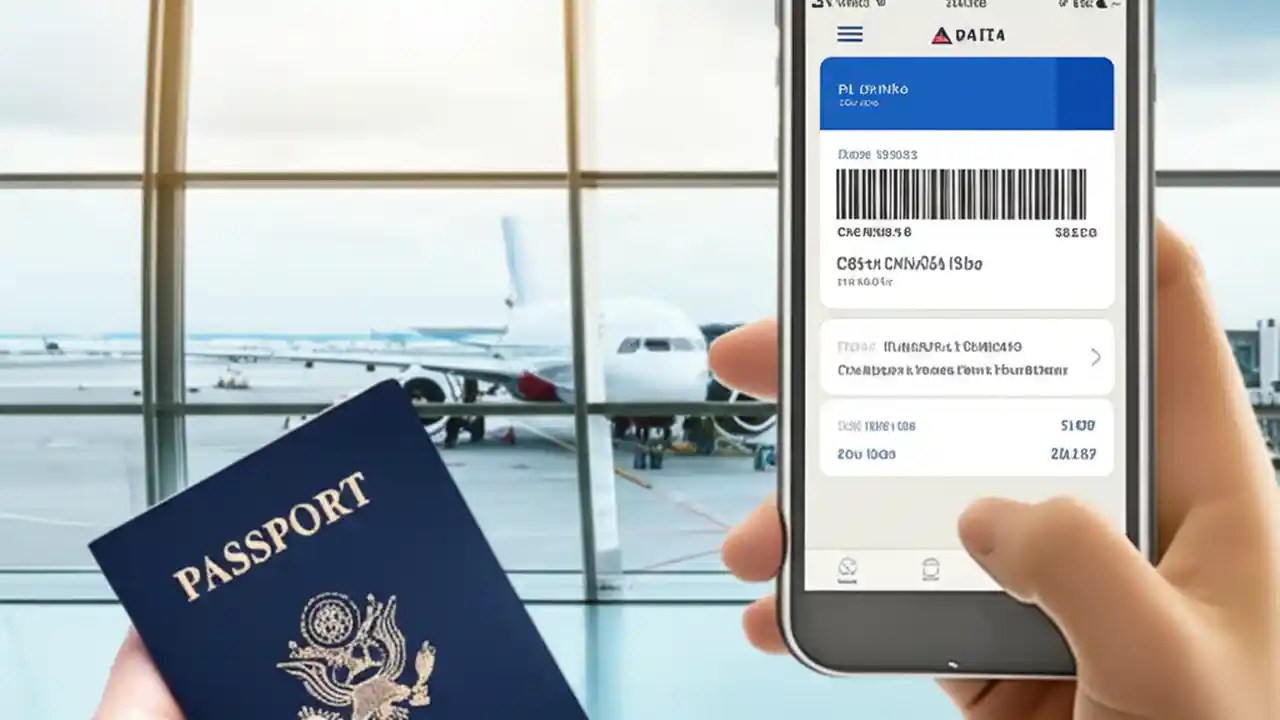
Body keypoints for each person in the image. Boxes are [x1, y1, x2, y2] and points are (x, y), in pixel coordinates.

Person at [93, 223, 1279, 719]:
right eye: (649, 354)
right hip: (504, 373)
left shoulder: (667, 355)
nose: (676, 371)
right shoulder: (537, 338)